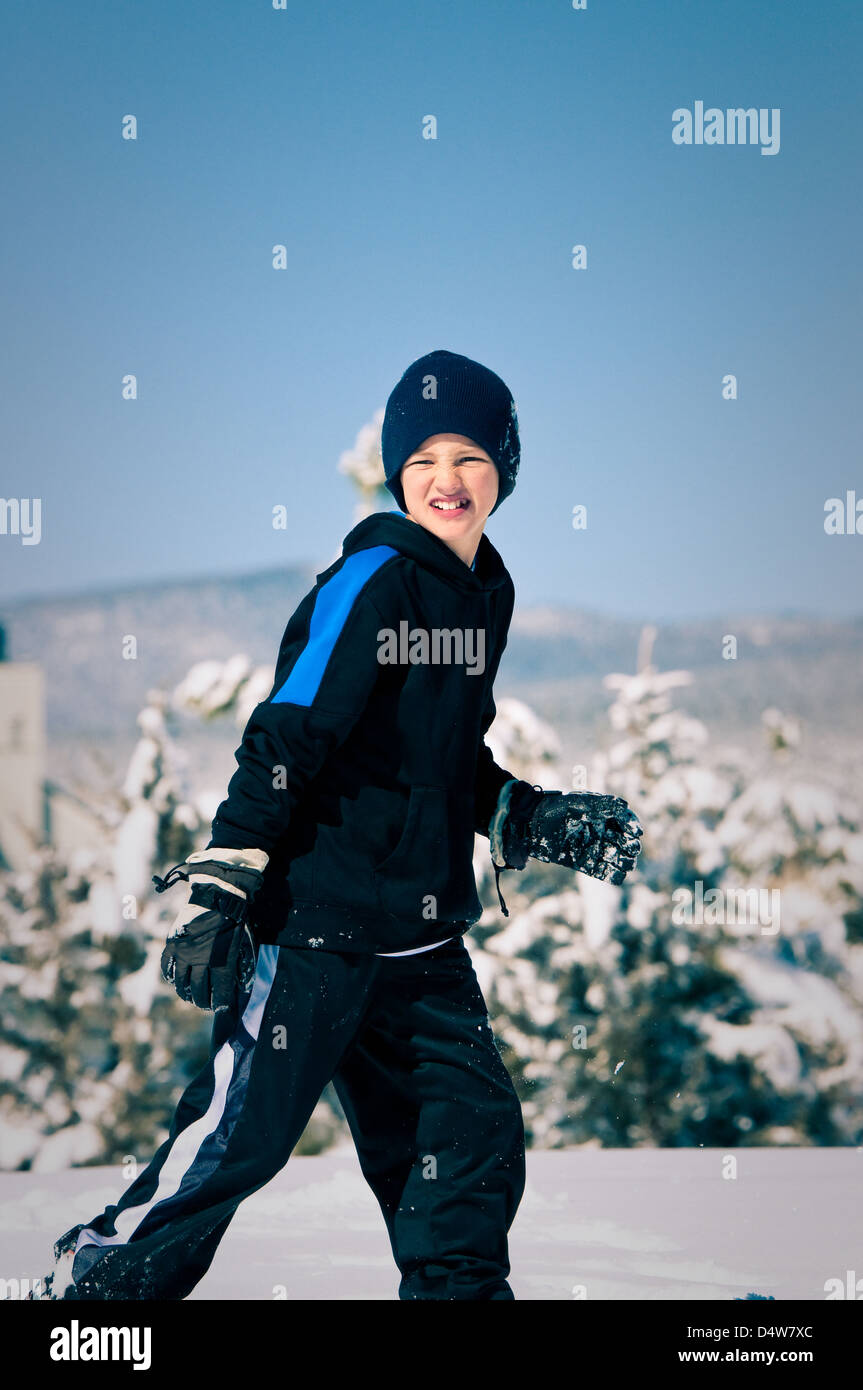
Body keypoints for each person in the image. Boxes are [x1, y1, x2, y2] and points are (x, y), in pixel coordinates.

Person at [34, 348, 643, 1301]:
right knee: (239, 1143)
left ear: (504, 473)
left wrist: (524, 814)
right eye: (425, 460)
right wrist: (225, 882)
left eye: (471, 459)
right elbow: (289, 731)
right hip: (315, 927)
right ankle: (94, 1289)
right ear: (397, 473)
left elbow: (441, 762)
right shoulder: (373, 580)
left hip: (421, 938)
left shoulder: (486, 592)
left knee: (467, 1135)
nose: (447, 480)